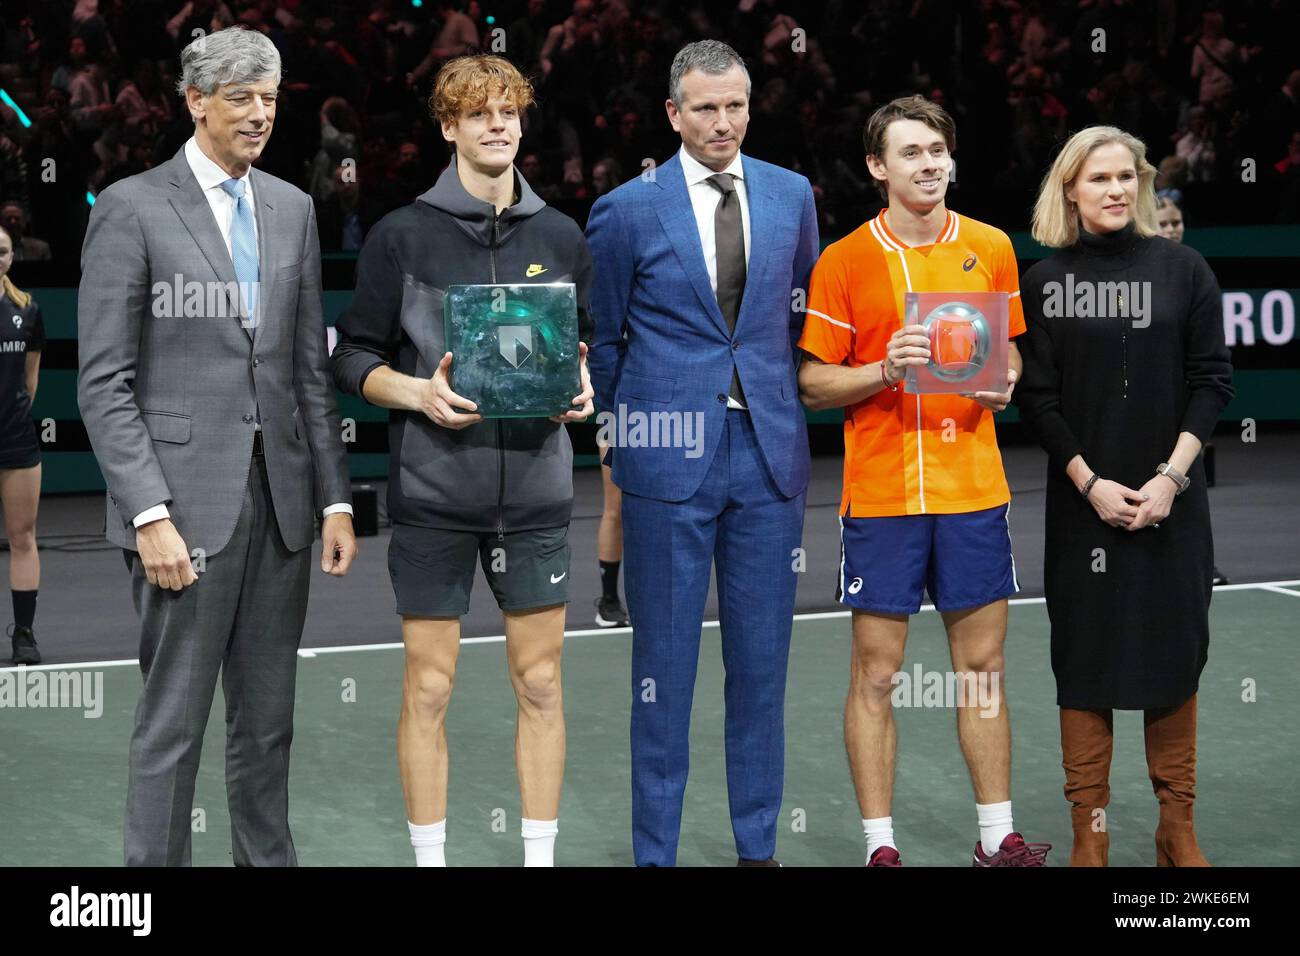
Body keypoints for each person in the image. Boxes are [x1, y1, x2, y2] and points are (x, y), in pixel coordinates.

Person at [76, 26, 357, 867]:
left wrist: (335, 497)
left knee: (268, 730)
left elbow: (309, 371)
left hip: (282, 515)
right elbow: (103, 382)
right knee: (172, 732)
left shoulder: (293, 207)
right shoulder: (130, 207)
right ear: (195, 101)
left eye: (270, 99)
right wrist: (149, 514)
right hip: (181, 514)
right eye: (241, 97)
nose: (260, 114)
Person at [331, 54, 595, 868]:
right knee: (431, 688)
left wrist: (585, 388)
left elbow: (588, 351)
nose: (497, 126)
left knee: (542, 684)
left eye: (509, 112)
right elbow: (352, 358)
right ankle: (431, 860)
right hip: (433, 496)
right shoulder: (400, 235)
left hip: (539, 498)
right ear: (448, 126)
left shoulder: (561, 236)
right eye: (478, 113)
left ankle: (539, 858)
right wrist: (416, 396)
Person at [797, 95, 1050, 867]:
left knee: (983, 670)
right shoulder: (844, 260)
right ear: (877, 167)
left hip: (973, 488)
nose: (930, 163)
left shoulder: (991, 246)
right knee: (877, 675)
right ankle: (881, 847)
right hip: (882, 497)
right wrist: (883, 368)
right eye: (910, 152)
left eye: (938, 149)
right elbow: (812, 384)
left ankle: (995, 837)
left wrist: (1003, 381)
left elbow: (1008, 355)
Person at [586, 39, 819, 867]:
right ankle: (658, 857)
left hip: (768, 461)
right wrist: (631, 438)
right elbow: (605, 341)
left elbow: (797, 326)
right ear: (673, 115)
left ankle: (760, 851)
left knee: (761, 673)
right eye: (705, 108)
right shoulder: (625, 209)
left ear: (750, 108)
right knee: (664, 677)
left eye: (735, 106)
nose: (722, 122)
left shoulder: (793, 196)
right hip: (664, 469)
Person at [1016, 126, 1233, 867]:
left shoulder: (1186, 270)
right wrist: (1091, 482)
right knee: (1085, 660)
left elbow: (1212, 383)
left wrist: (1171, 481)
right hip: (1085, 510)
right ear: (1069, 190)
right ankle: (1091, 833)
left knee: (1175, 652)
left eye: (1124, 177)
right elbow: (1038, 401)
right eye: (1098, 178)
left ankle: (1178, 828)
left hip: (1173, 506)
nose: (1114, 189)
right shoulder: (1045, 281)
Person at [0, 223, 43, 665]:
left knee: (22, 537)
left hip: (15, 441)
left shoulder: (27, 310)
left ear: (12, 257)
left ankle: (24, 636)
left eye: (3, 251)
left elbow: (29, 380)